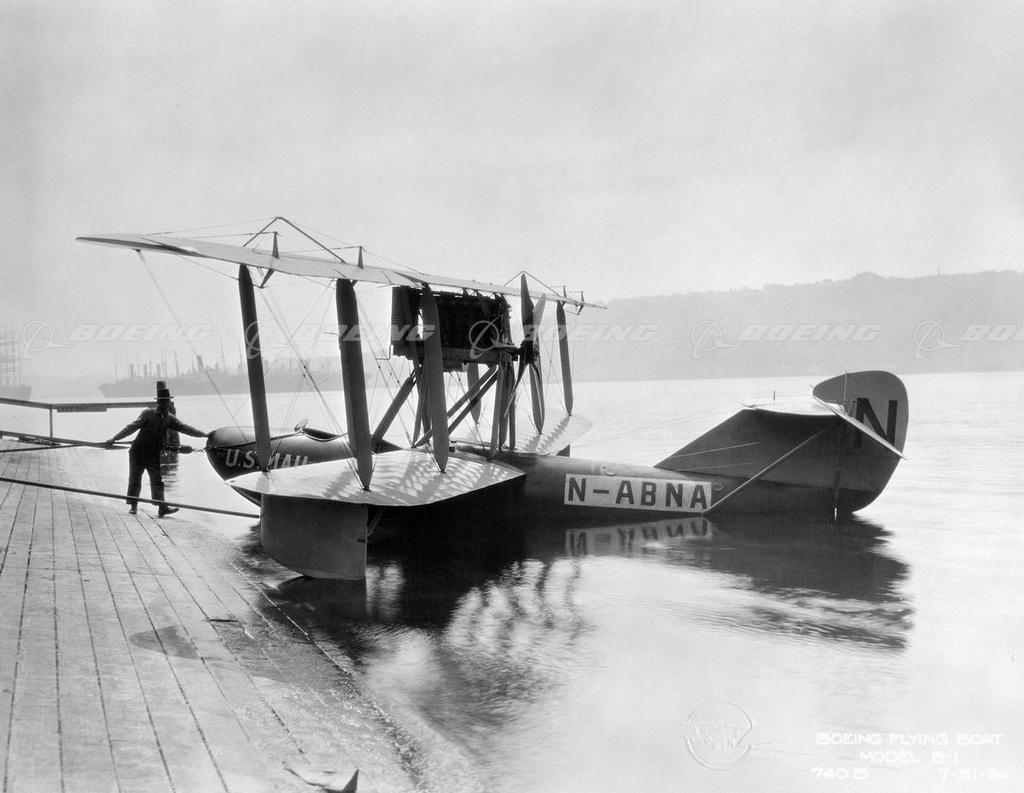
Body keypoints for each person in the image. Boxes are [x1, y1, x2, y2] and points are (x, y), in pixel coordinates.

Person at [105, 386, 208, 516]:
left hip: (153, 454)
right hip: (137, 452)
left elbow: (185, 428)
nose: (165, 404)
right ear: (158, 402)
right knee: (135, 479)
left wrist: (203, 435)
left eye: (167, 401)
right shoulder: (147, 413)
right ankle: (133, 506)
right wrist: (114, 438)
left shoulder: (169, 418)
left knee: (157, 481)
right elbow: (131, 427)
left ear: (169, 402)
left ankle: (162, 508)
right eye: (163, 401)